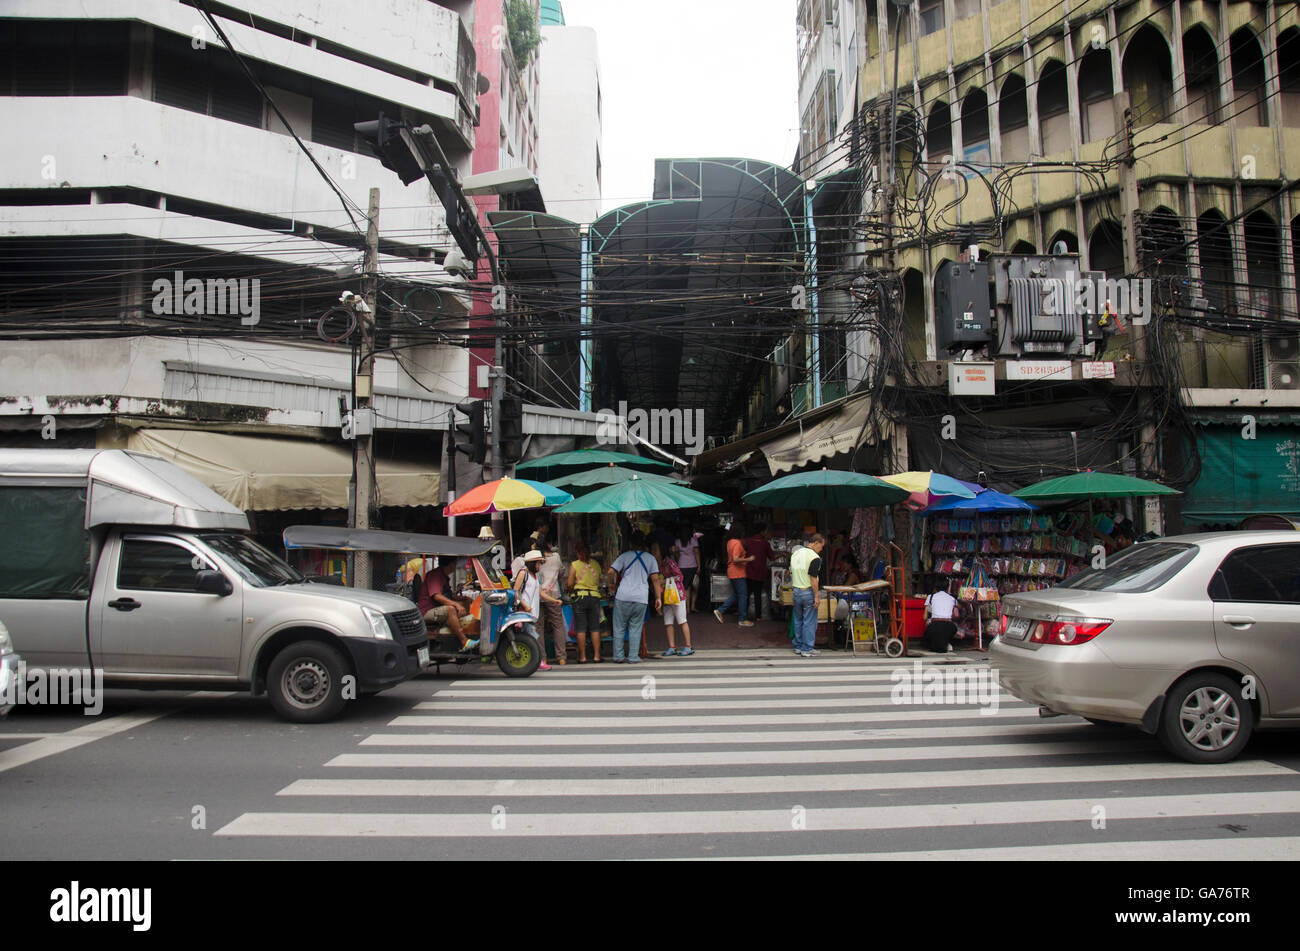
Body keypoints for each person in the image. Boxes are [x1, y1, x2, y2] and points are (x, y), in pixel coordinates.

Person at [607, 534, 662, 664]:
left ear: (630, 544)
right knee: (635, 627)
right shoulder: (650, 558)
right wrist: (658, 598)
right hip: (641, 598)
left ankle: (618, 656)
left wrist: (612, 585)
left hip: (623, 596)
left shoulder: (624, 556)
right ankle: (633, 657)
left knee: (619, 626)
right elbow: (655, 579)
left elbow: (610, 572)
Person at [418, 557, 478, 652]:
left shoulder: (444, 576)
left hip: (437, 608)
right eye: (455, 563)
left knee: (463, 604)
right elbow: (437, 596)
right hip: (426, 611)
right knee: (451, 609)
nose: (455, 566)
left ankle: (469, 633)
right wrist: (456, 604)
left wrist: (464, 599)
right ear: (450, 564)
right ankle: (464, 641)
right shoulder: (435, 575)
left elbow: (448, 595)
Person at [513, 550, 557, 670]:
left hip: (532, 614)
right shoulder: (523, 573)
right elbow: (515, 592)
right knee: (532, 638)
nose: (539, 566)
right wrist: (525, 605)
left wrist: (554, 601)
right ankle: (538, 662)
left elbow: (540, 592)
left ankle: (535, 661)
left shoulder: (535, 576)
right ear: (532, 563)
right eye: (538, 563)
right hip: (524, 613)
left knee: (531, 638)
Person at [566, 541, 604, 663]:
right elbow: (599, 580)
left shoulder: (575, 565)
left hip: (580, 598)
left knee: (581, 628)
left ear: (577, 552)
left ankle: (582, 657)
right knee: (595, 627)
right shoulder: (596, 564)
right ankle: (597, 656)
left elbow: (570, 583)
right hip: (594, 597)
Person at [789, 533, 825, 657]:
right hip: (807, 591)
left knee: (798, 620)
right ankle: (807, 648)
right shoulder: (815, 557)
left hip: (796, 591)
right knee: (809, 621)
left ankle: (798, 646)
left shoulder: (795, 554)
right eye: (821, 546)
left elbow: (791, 571)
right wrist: (816, 596)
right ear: (815, 543)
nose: (821, 549)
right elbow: (813, 578)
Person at [536, 541, 568, 665]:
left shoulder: (536, 559)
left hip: (538, 595)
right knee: (558, 625)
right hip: (553, 593)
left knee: (539, 627)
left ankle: (542, 657)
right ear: (549, 546)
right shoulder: (556, 558)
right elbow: (561, 572)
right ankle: (561, 657)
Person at [713, 527, 753, 626]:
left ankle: (720, 610)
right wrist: (748, 559)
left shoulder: (730, 542)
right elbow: (735, 558)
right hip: (738, 572)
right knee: (743, 595)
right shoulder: (737, 543)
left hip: (732, 571)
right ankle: (742, 619)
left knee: (737, 594)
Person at [660, 544, 695, 657]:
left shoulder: (669, 562)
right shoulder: (660, 564)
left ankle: (688, 646)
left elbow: (680, 576)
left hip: (677, 595)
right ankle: (672, 647)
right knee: (668, 622)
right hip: (667, 595)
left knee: (682, 620)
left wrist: (665, 581)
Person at [744, 522, 774, 623]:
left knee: (747, 594)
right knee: (757, 595)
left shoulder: (747, 542)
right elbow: (772, 557)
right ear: (762, 531)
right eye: (766, 531)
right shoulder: (765, 543)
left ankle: (745, 616)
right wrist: (782, 554)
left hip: (748, 572)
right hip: (760, 573)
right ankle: (758, 616)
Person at [923, 581, 960, 654]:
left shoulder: (931, 597)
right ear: (947, 588)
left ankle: (934, 641)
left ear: (935, 588)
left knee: (928, 624)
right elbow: (957, 612)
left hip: (934, 626)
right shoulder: (952, 598)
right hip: (949, 626)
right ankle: (947, 642)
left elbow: (924, 617)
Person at [675, 525, 703, 613]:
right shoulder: (693, 540)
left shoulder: (677, 541)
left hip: (681, 566)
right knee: (694, 586)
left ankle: (686, 608)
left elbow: (677, 555)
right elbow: (697, 553)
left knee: (685, 587)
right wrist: (699, 566)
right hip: (692, 566)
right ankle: (692, 606)